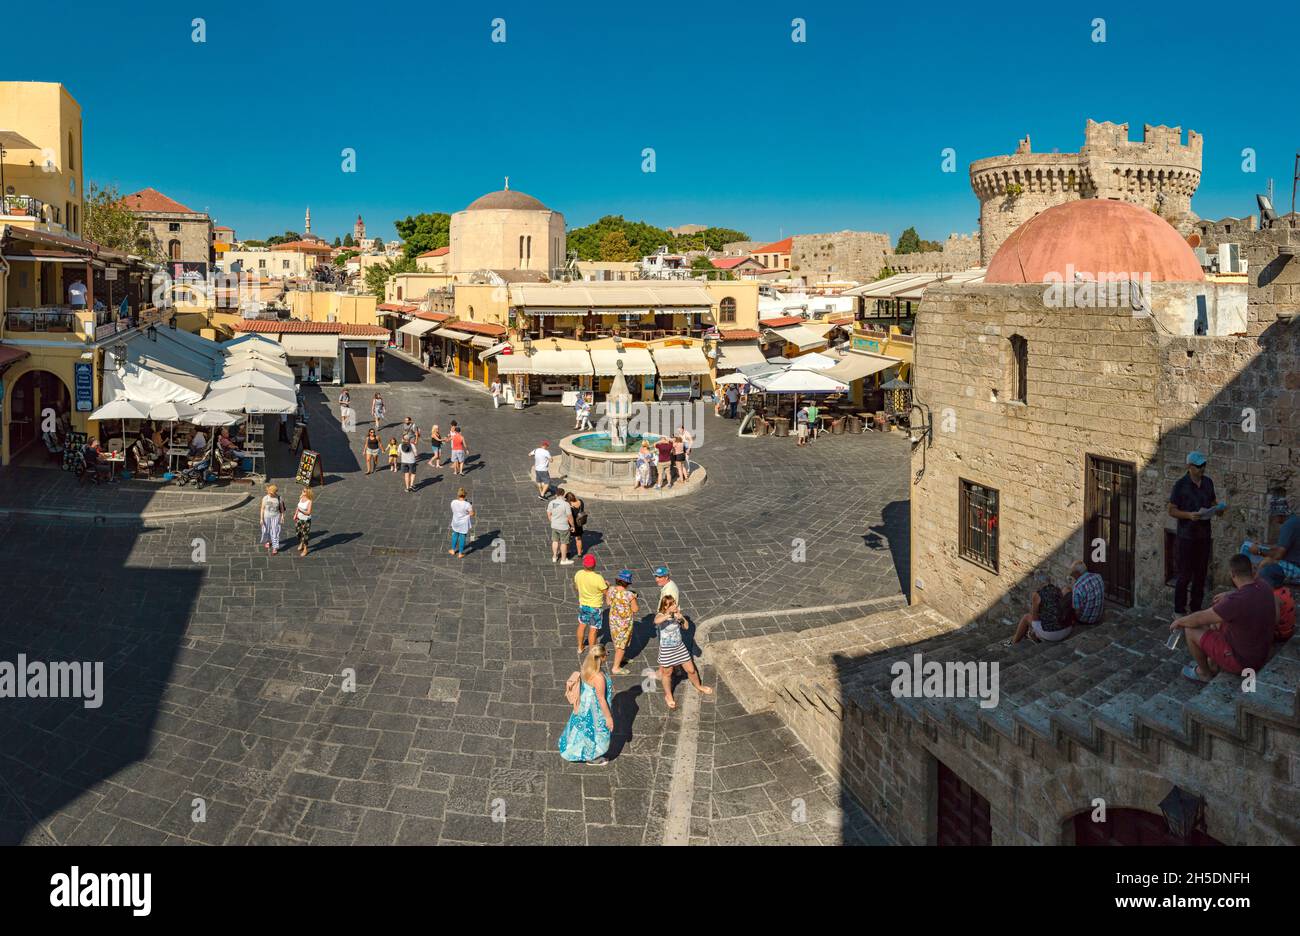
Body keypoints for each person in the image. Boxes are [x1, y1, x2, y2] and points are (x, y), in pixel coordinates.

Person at [1171, 554, 1276, 682]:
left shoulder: (1236, 602)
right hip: (1260, 653)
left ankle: (1204, 673)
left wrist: (1179, 621)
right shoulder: (1264, 586)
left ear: (1232, 574)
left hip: (1243, 662)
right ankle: (1213, 662)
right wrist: (1229, 594)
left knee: (1190, 629)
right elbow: (1249, 596)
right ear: (1251, 570)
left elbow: (1200, 618)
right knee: (1218, 617)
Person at [1168, 451, 1225, 614]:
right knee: (1184, 575)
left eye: (1204, 465)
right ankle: (1179, 610)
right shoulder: (1180, 485)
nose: (1202, 469)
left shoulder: (1208, 482)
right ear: (1190, 466)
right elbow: (1171, 510)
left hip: (1204, 536)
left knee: (1201, 575)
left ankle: (1196, 609)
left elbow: (1212, 501)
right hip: (1186, 537)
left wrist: (1218, 508)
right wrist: (1189, 515)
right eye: (1199, 466)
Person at [557, 644, 614, 766]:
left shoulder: (587, 668)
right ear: (601, 658)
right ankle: (592, 758)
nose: (607, 656)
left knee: (581, 730)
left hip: (584, 705)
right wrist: (608, 718)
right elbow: (601, 698)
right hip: (595, 709)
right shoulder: (599, 677)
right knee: (595, 733)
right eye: (606, 654)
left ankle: (574, 749)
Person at [654, 594, 712, 710]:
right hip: (667, 650)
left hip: (679, 648)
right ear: (665, 607)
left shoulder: (677, 615)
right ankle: (669, 696)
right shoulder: (661, 615)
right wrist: (669, 615)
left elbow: (686, 627)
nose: (675, 605)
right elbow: (657, 621)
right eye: (671, 604)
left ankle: (698, 686)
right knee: (667, 673)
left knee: (691, 670)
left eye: (674, 603)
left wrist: (680, 617)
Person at [1242, 510, 1300, 585]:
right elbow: (1280, 546)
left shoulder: (1289, 525)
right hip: (1293, 564)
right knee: (1266, 561)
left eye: (1273, 516)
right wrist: (1262, 545)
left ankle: (1254, 588)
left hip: (1296, 568)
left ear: (1279, 514)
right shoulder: (1294, 521)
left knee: (1266, 566)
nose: (1273, 519)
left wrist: (1259, 551)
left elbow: (1278, 555)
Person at [1011, 570, 1070, 644]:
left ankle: (1014, 642)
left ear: (1038, 582)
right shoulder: (1058, 590)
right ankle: (1034, 636)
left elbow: (1034, 618)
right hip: (1067, 629)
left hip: (1053, 634)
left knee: (1026, 617)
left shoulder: (1037, 595)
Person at [574, 553, 608, 655]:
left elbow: (576, 587)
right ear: (594, 565)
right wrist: (607, 585)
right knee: (593, 629)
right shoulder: (598, 578)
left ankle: (580, 647)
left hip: (583, 605)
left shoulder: (578, 574)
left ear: (584, 564)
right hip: (595, 607)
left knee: (582, 625)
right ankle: (592, 652)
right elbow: (605, 592)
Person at [606, 570, 639, 675]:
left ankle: (621, 658)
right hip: (624, 624)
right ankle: (616, 667)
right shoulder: (629, 595)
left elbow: (608, 602)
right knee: (622, 646)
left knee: (617, 641)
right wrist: (634, 598)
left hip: (613, 621)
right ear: (628, 583)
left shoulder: (611, 590)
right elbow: (635, 609)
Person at [1059, 560, 1105, 628]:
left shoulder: (1078, 587)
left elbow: (1077, 611)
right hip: (1098, 616)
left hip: (1085, 620)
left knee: (1065, 591)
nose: (1071, 575)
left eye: (1072, 573)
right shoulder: (1098, 576)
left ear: (1077, 573)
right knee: (1071, 592)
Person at [1258, 563, 1295, 643]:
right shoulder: (1285, 590)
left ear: (1270, 582)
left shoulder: (1274, 597)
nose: (1260, 581)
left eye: (1263, 580)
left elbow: (1273, 621)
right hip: (1289, 629)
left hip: (1281, 634)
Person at [548, 488, 575, 565]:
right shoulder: (565, 504)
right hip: (563, 527)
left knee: (555, 541)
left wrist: (552, 522)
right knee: (564, 543)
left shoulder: (551, 503)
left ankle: (554, 557)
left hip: (554, 525)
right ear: (563, 494)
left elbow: (549, 514)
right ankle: (563, 560)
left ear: (556, 494)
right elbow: (570, 517)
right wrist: (572, 526)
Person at [448, 487, 474, 558]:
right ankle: (460, 553)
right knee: (462, 537)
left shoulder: (453, 502)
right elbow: (472, 514)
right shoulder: (467, 504)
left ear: (458, 495)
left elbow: (453, 510)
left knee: (455, 535)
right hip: (464, 523)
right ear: (464, 495)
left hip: (456, 521)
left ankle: (453, 550)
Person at [260, 483, 285, 554]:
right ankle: (268, 541)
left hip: (276, 517)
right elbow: (262, 508)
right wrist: (261, 518)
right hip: (266, 517)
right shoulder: (265, 498)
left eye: (271, 493)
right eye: (269, 492)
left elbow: (282, 508)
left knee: (275, 532)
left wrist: (282, 516)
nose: (269, 494)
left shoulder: (279, 498)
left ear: (275, 492)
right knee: (265, 530)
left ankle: (275, 547)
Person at [293, 486, 315, 557]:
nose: (302, 491)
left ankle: (305, 549)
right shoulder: (301, 497)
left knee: (304, 535)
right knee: (298, 533)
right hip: (299, 518)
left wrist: (301, 511)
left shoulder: (309, 501)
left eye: (304, 491)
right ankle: (301, 543)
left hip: (306, 520)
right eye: (303, 490)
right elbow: (298, 506)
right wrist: (295, 514)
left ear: (307, 493)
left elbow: (308, 512)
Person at [566, 491, 588, 557]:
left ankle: (567, 552)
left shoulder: (568, 505)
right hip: (579, 523)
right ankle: (579, 553)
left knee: (568, 539)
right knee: (578, 538)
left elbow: (568, 515)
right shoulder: (580, 502)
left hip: (570, 523)